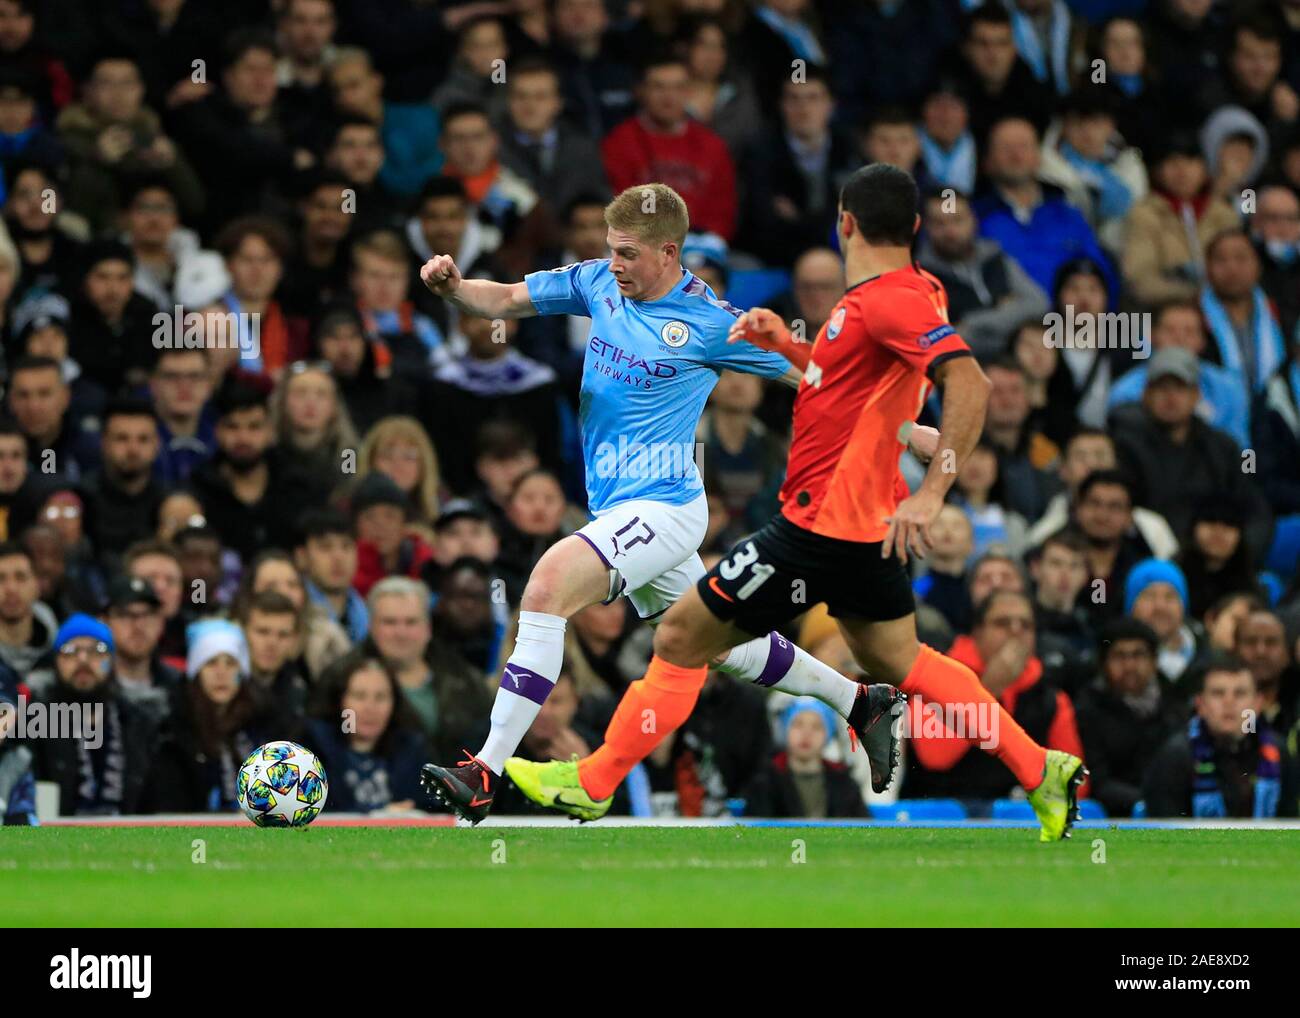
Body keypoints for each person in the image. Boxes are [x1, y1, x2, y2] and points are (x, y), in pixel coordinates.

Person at [504, 165, 1086, 842]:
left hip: (817, 528)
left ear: (844, 222)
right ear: (917, 229)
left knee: (681, 636)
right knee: (907, 662)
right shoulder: (905, 293)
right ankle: (1040, 768)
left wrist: (932, 494)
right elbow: (842, 386)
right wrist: (785, 344)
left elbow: (971, 381)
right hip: (864, 530)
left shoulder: (887, 302)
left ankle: (594, 781)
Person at [417, 181, 934, 824]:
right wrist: (454, 288)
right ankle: (863, 703)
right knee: (717, 643)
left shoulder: (715, 324)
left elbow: (824, 380)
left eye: (628, 253)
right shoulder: (596, 282)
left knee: (547, 586)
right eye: (610, 250)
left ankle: (485, 770)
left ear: (668, 252)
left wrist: (911, 433)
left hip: (666, 505)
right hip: (616, 508)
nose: (615, 264)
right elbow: (511, 298)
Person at [1143, 654, 1298, 818]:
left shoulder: (1279, 752)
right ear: (1200, 705)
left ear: (1257, 704)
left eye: (1239, 693)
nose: (1229, 702)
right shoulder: (1176, 756)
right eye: (1218, 693)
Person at [1074, 618, 1186, 818]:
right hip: (1112, 819)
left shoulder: (1176, 705)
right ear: (1104, 664)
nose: (1130, 665)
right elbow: (1096, 780)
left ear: (1154, 662)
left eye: (1138, 655)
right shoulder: (1087, 711)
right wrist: (1147, 802)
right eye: (1119, 656)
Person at [304, 654, 433, 812]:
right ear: (340, 701)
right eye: (359, 696)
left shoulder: (411, 749)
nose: (370, 708)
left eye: (380, 697)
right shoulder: (312, 748)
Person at [743, 698, 867, 819]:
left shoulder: (845, 783)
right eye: (798, 725)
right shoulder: (764, 782)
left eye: (816, 727)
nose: (807, 733)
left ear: (827, 734)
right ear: (785, 730)